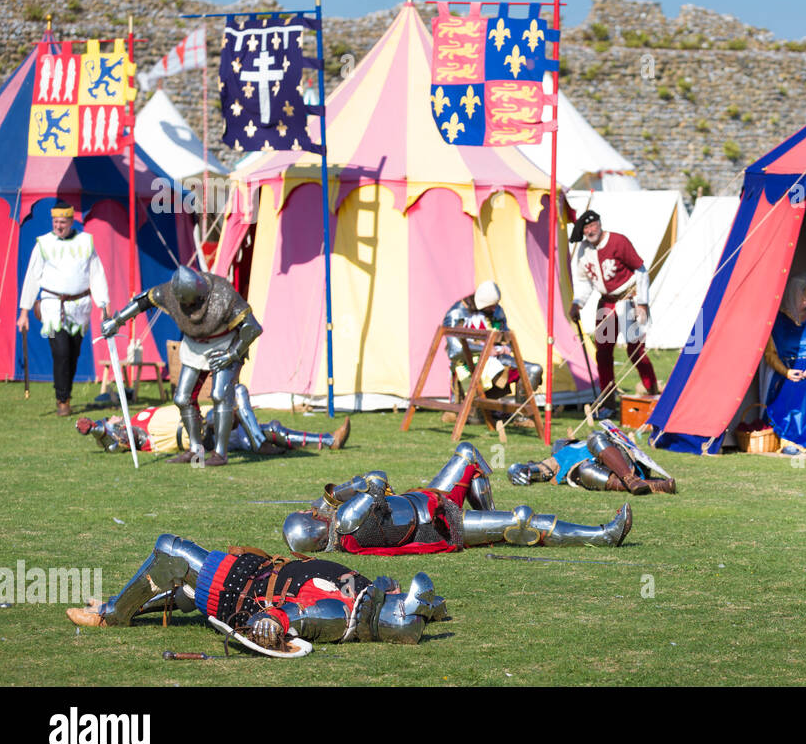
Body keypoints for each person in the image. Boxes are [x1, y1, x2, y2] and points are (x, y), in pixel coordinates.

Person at [66, 534, 446, 655]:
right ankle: (122, 605)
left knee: (171, 551)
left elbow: (295, 615)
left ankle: (113, 613)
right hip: (250, 575)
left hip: (235, 591)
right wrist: (433, 607)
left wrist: (269, 622)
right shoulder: (365, 593)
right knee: (181, 591)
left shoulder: (338, 613)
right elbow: (383, 581)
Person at [282, 442, 633, 555]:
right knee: (521, 519)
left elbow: (340, 497)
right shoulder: (344, 522)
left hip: (429, 498)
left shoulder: (334, 521)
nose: (312, 509)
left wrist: (325, 501)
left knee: (468, 453)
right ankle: (602, 534)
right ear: (314, 527)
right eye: (310, 513)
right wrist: (345, 490)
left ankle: (491, 523)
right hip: (439, 525)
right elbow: (375, 482)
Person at [102, 268, 262, 467]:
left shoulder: (223, 293)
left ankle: (220, 453)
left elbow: (253, 327)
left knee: (220, 396)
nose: (188, 307)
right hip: (193, 346)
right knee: (182, 398)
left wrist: (232, 354)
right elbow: (143, 301)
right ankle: (196, 450)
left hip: (225, 344)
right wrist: (117, 321)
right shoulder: (168, 292)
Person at [16, 200, 111, 416]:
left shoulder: (86, 241)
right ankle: (62, 399)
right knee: (60, 351)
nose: (59, 226)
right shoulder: (43, 243)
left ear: (70, 221)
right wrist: (24, 312)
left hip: (79, 308)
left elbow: (96, 274)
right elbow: (32, 277)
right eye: (55, 222)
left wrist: (104, 305)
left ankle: (66, 392)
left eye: (63, 222)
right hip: (51, 307)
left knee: (73, 352)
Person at [76, 384, 350, 456]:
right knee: (238, 394)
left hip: (204, 418)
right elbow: (115, 442)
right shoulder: (132, 433)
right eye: (107, 420)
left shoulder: (138, 414)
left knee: (269, 430)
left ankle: (328, 440)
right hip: (196, 432)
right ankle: (258, 439)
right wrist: (97, 429)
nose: (110, 416)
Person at [567, 210, 658, 406]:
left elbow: (641, 270)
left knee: (635, 350)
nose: (591, 230)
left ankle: (653, 393)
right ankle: (608, 400)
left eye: (593, 225)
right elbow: (585, 282)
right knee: (603, 351)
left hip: (628, 301)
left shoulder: (618, 241)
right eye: (586, 228)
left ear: (599, 224)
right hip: (606, 304)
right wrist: (578, 303)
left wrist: (642, 302)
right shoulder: (584, 250)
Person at [760, 271, 806, 451]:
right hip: (785, 371)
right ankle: (788, 440)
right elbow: (769, 353)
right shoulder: (776, 320)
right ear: (798, 294)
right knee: (788, 390)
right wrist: (786, 372)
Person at [508, 421, 676, 495]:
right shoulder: (561, 456)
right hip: (603, 473)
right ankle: (656, 485)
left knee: (595, 437)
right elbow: (539, 469)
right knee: (586, 472)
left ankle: (630, 478)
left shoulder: (582, 443)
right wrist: (519, 470)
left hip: (620, 460)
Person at [442, 280, 542, 401]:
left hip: (497, 358)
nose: (495, 308)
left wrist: (504, 348)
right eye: (491, 305)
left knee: (534, 370)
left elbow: (505, 338)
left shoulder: (497, 311)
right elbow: (455, 350)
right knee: (476, 417)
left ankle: (521, 416)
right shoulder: (457, 312)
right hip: (468, 362)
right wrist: (485, 350)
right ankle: (476, 408)